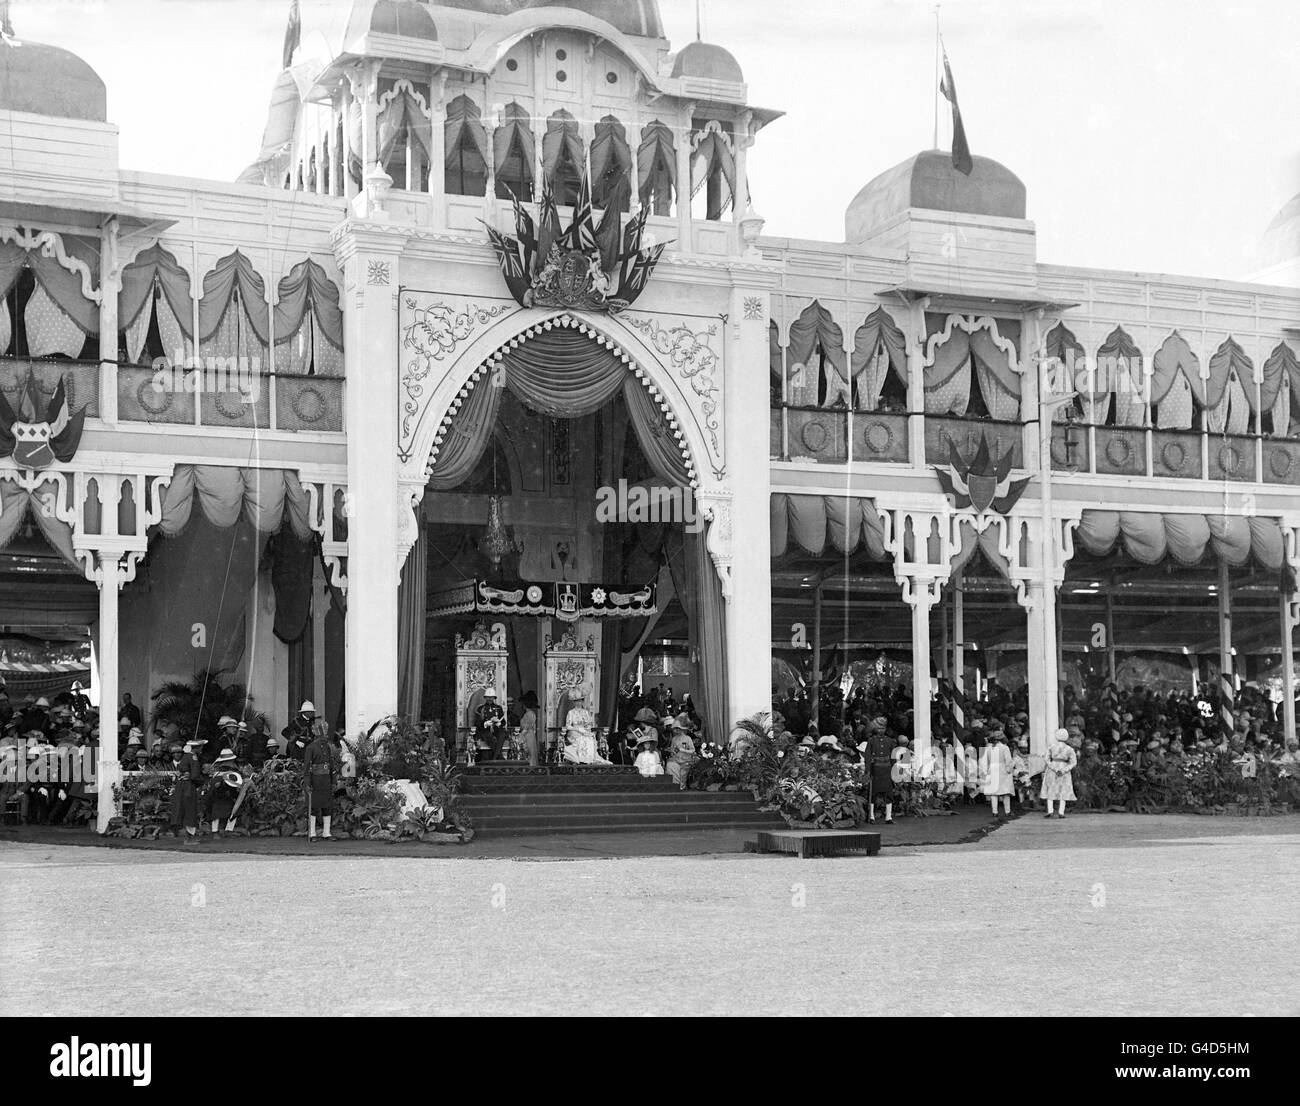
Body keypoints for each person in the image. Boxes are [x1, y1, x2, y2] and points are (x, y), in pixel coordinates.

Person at [303, 720, 341, 841]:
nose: (326, 737)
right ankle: (312, 833)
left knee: (327, 807)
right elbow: (307, 767)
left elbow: (331, 766)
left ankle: (326, 832)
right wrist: (307, 783)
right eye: (324, 735)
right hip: (315, 781)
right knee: (314, 807)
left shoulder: (327, 748)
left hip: (326, 781)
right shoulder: (310, 748)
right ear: (318, 736)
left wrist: (334, 781)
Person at [561, 691, 609, 765]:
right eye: (576, 701)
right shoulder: (571, 712)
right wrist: (578, 729)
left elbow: (589, 724)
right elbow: (568, 726)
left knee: (589, 738)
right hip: (574, 732)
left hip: (584, 731)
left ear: (582, 702)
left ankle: (589, 759)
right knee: (582, 739)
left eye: (580, 701)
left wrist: (587, 729)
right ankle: (581, 759)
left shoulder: (585, 712)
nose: (578, 703)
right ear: (574, 702)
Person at [172, 738, 205, 843]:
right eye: (201, 747)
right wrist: (202, 782)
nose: (201, 749)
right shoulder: (193, 757)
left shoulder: (186, 756)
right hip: (188, 786)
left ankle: (189, 836)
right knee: (190, 810)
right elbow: (195, 776)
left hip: (182, 786)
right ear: (197, 748)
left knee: (186, 810)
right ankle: (189, 838)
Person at [1041, 728, 1078, 819]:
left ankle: (1050, 810)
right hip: (1064, 768)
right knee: (1063, 790)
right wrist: (1065, 770)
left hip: (1052, 768)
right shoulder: (1069, 749)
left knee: (1050, 788)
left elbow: (1046, 758)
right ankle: (1061, 812)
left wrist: (1053, 767)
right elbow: (1073, 762)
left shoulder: (1051, 746)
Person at [206, 747, 242, 839]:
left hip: (229, 795)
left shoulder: (234, 771)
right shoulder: (216, 773)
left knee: (235, 809)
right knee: (216, 812)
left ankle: (229, 830)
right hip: (217, 797)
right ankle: (215, 832)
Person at [865, 717, 895, 824]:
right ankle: (872, 816)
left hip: (887, 769)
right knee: (873, 793)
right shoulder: (871, 741)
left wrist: (894, 771)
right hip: (876, 769)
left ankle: (888, 816)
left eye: (883, 728)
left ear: (885, 729)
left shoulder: (890, 741)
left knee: (888, 793)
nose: (881, 730)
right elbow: (867, 756)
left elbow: (893, 757)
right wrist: (868, 770)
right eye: (879, 728)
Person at [982, 728, 1014, 818]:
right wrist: (1009, 770)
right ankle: (1007, 811)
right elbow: (1008, 760)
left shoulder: (988, 748)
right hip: (1002, 769)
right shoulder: (1004, 748)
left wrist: (985, 771)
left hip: (992, 769)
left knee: (993, 792)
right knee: (1005, 791)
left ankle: (994, 811)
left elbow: (984, 760)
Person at [474, 688, 507, 761]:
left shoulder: (499, 708)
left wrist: (499, 723)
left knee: (502, 734)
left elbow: (503, 722)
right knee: (490, 737)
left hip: (496, 729)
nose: (489, 699)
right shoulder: (480, 708)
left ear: (494, 698)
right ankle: (499, 757)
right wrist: (485, 724)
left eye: (491, 697)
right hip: (485, 730)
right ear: (485, 698)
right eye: (488, 697)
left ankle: (495, 758)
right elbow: (477, 723)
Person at [665, 715, 696, 787]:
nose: (677, 730)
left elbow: (693, 750)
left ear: (682, 729)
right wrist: (671, 751)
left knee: (683, 775)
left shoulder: (688, 738)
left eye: (678, 729)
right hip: (676, 759)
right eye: (675, 729)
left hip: (685, 760)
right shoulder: (674, 739)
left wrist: (683, 750)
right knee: (670, 765)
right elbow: (673, 749)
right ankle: (674, 784)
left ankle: (681, 786)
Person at [518, 691, 540, 767]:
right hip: (529, 735)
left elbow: (526, 728)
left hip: (528, 736)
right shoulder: (530, 713)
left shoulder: (529, 714)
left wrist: (520, 737)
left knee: (529, 753)